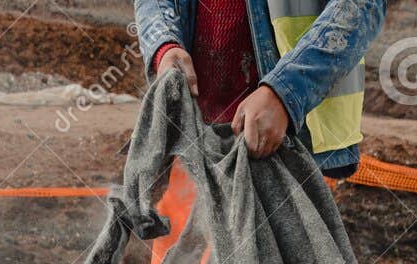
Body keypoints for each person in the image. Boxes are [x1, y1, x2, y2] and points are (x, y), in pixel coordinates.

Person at [132, 0, 386, 176]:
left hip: (289, 141)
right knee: (181, 253)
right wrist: (164, 45)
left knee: (277, 252)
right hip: (190, 141)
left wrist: (286, 92)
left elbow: (360, 7)